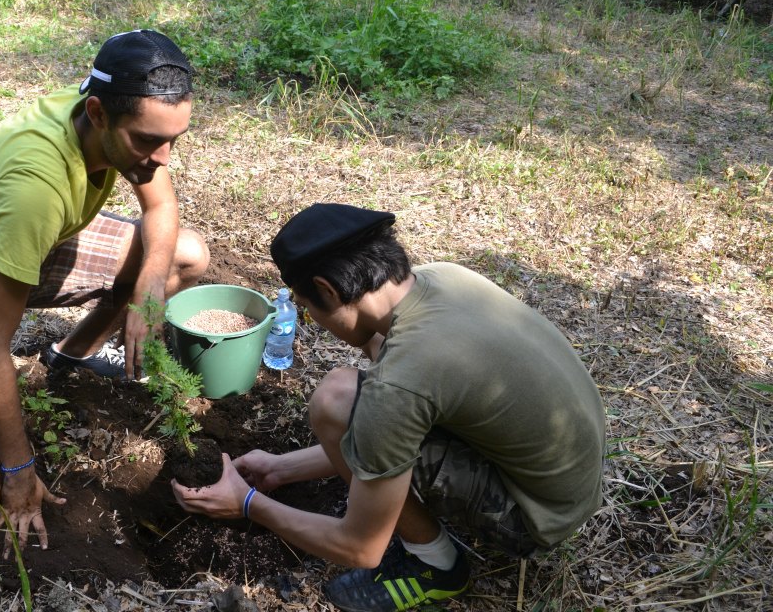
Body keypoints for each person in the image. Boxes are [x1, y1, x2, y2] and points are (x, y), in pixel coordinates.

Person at [172, 203, 605, 612]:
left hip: (531, 518)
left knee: (336, 400)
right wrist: (281, 469)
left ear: (327, 289)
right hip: (565, 485)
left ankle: (435, 565)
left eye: (306, 312)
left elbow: (360, 547)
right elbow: (398, 416)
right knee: (364, 388)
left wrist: (248, 504)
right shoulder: (443, 278)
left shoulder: (403, 380)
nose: (314, 324)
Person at [0, 29, 209, 557]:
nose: (162, 158)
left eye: (173, 140)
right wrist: (21, 470)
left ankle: (74, 354)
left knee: (184, 254)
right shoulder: (35, 188)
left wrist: (146, 293)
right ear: (97, 113)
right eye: (147, 140)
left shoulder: (119, 110)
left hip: (33, 244)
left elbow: (160, 209)